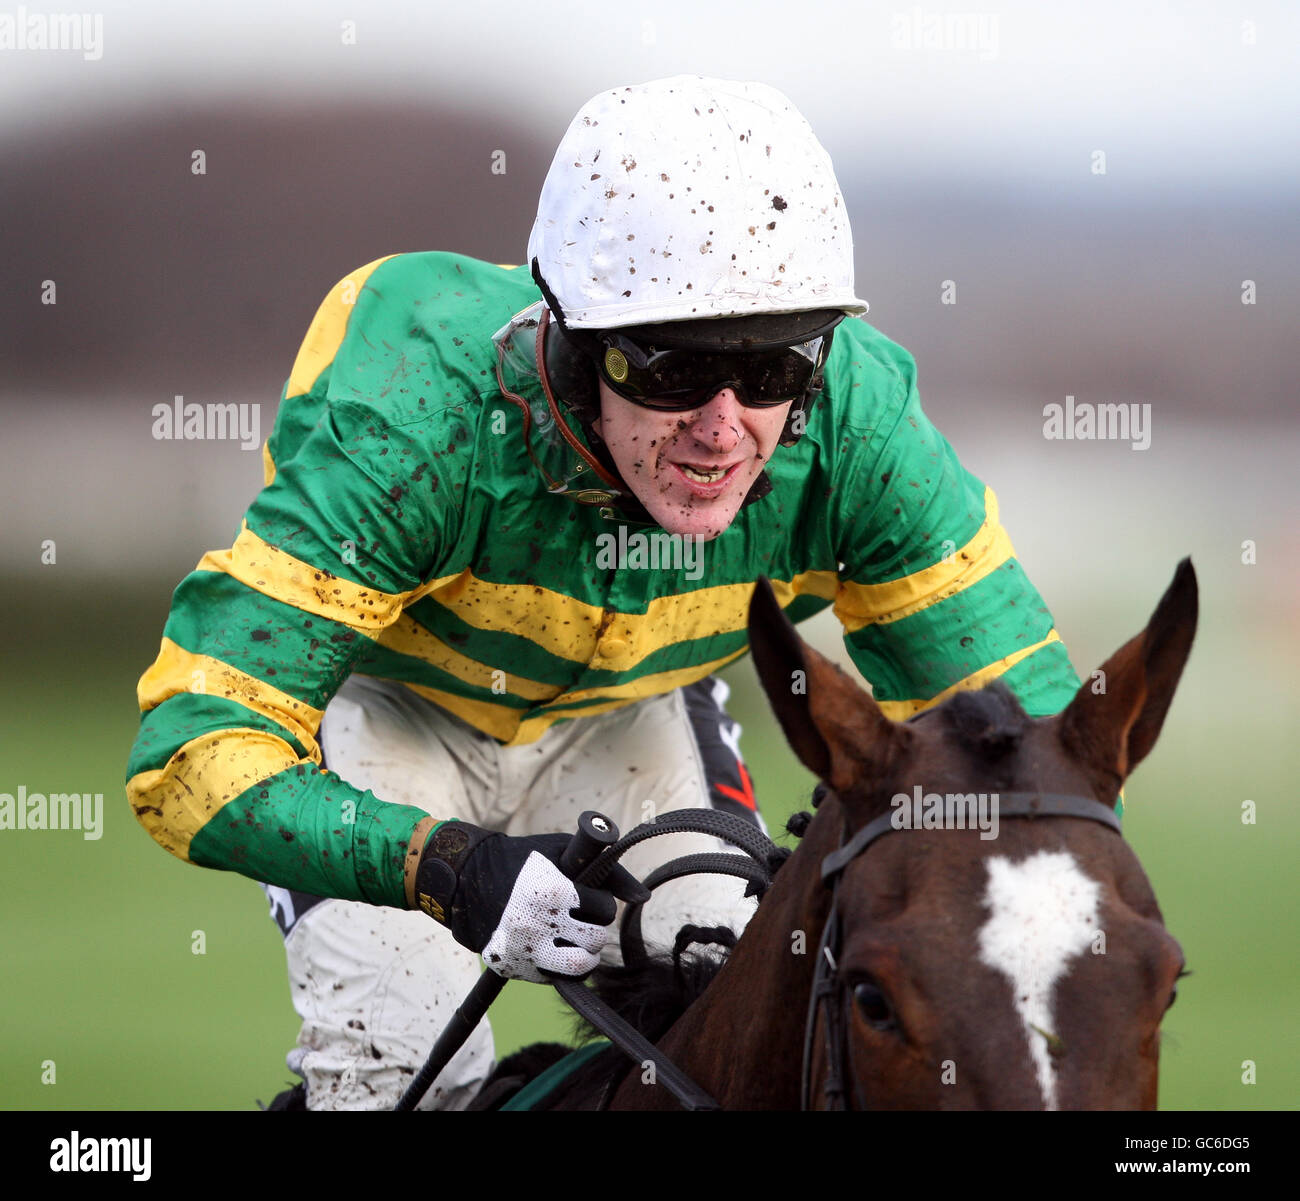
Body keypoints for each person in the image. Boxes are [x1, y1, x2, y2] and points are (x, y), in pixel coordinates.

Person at [126, 76, 1084, 1110]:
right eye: (671, 368)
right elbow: (189, 752)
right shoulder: (416, 418)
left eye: (772, 367)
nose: (724, 428)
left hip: (633, 710)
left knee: (754, 1030)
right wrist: (444, 866)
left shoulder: (859, 424)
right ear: (572, 345)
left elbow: (1043, 747)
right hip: (387, 711)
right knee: (399, 1069)